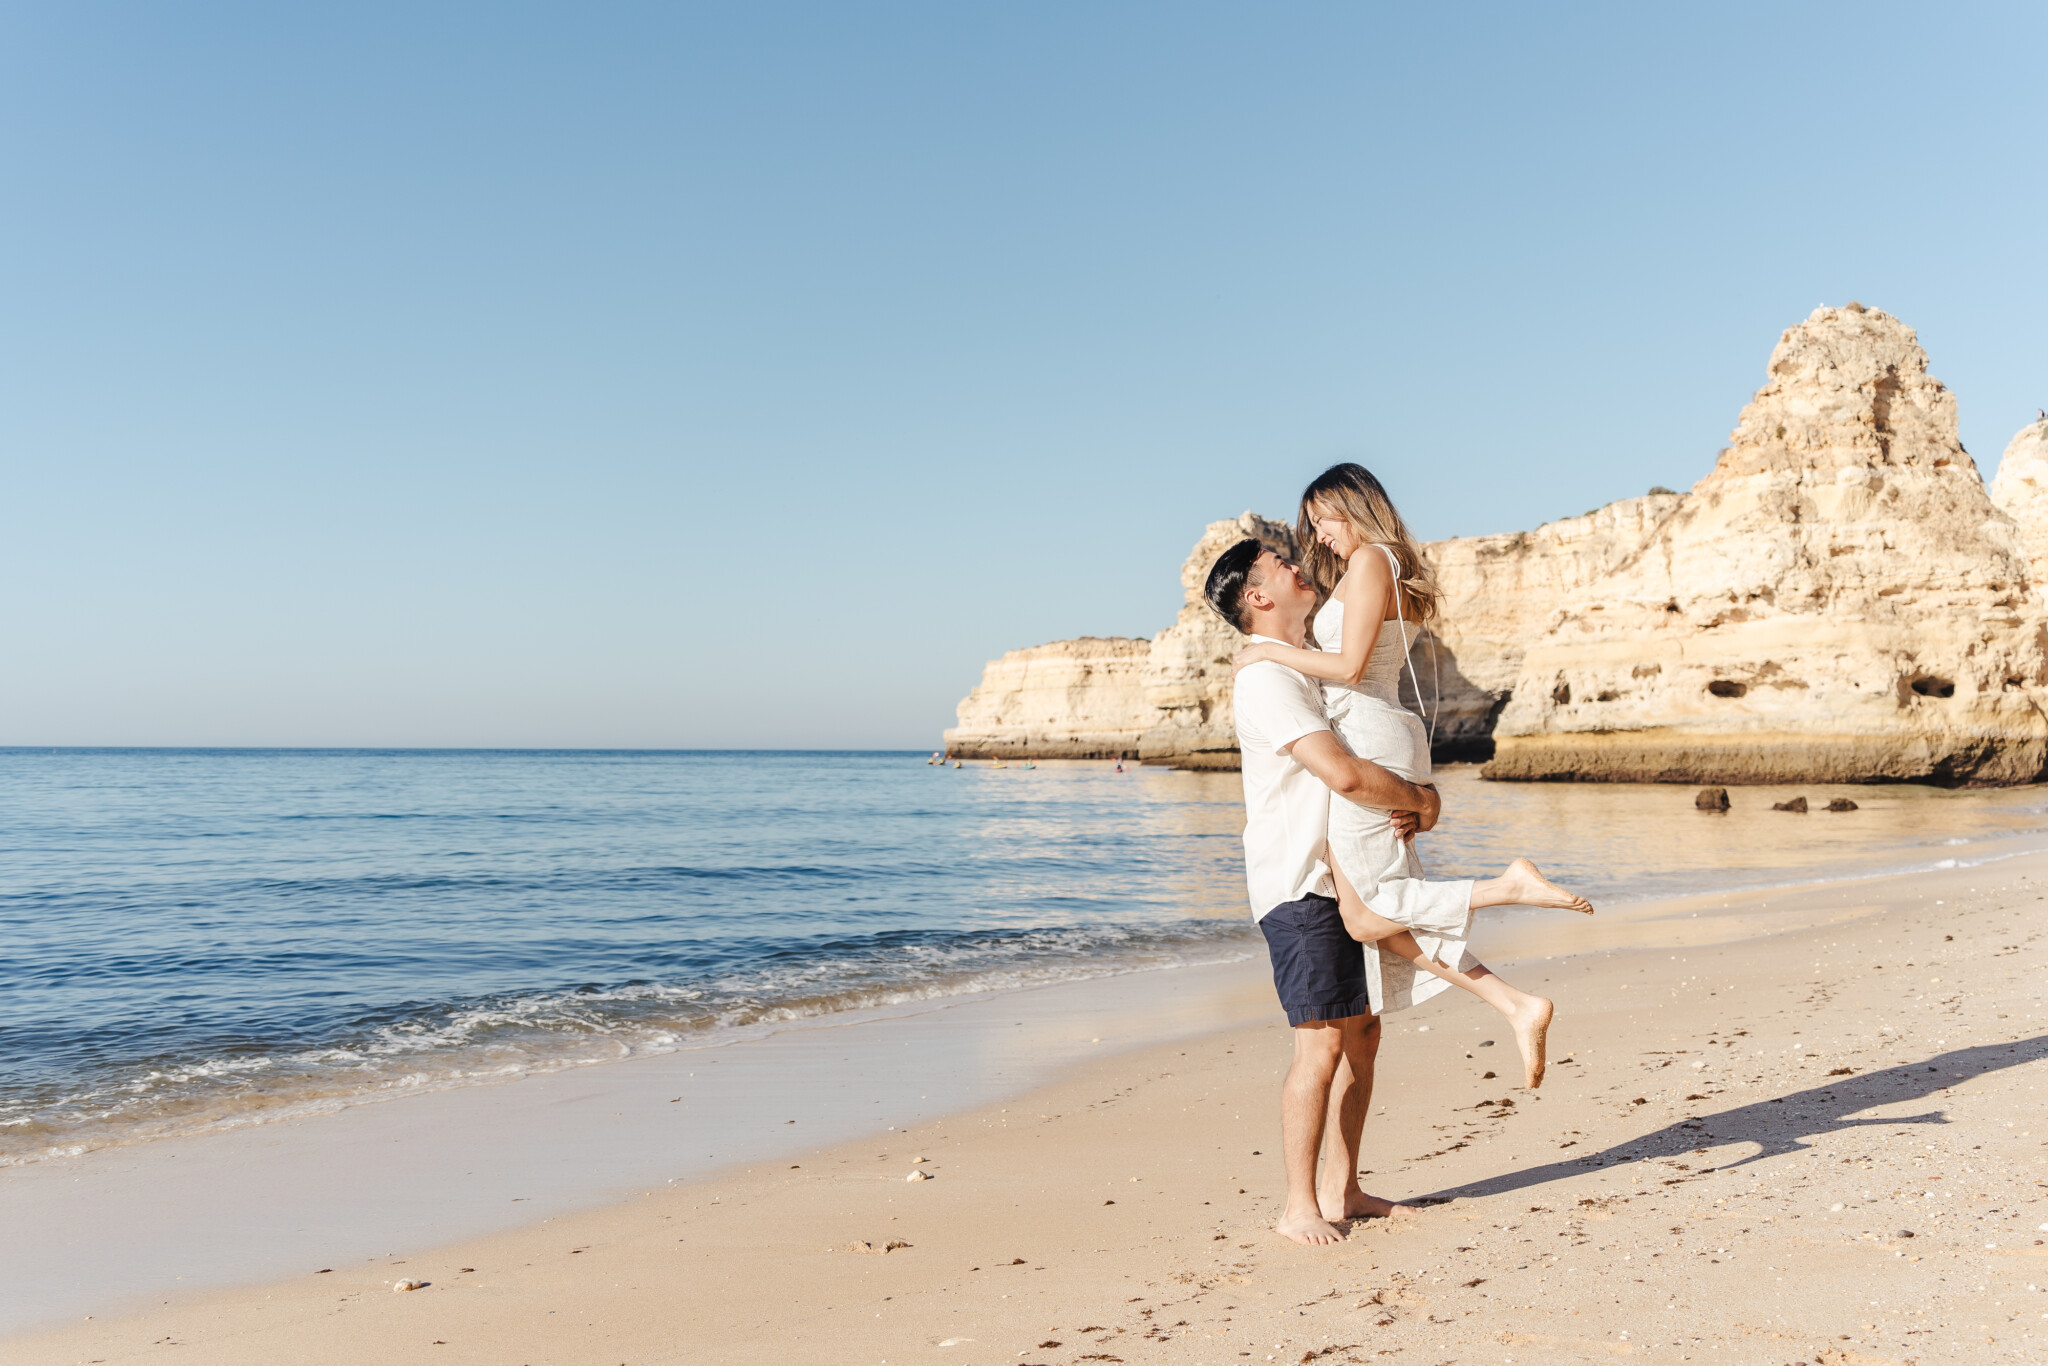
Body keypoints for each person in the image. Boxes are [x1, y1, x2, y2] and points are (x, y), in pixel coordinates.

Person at [1206, 537, 1592, 1247]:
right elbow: (1344, 775)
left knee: (1364, 1036)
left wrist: (1422, 800)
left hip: (1339, 874)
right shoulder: (1265, 681)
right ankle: (1298, 1205)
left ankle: (1343, 1188)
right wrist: (1422, 797)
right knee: (1319, 1045)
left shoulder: (1300, 672)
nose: (1300, 567)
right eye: (1284, 566)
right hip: (1298, 886)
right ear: (1259, 596)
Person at [1224, 465, 1592, 1089]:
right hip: (1382, 729)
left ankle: (1508, 889)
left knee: (1375, 907)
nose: (1322, 538)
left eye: (1325, 521)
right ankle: (1513, 1003)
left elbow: (1346, 665)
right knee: (1368, 918)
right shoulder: (1382, 565)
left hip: (1368, 732)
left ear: (1356, 508)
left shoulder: (1372, 561)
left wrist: (1267, 651)